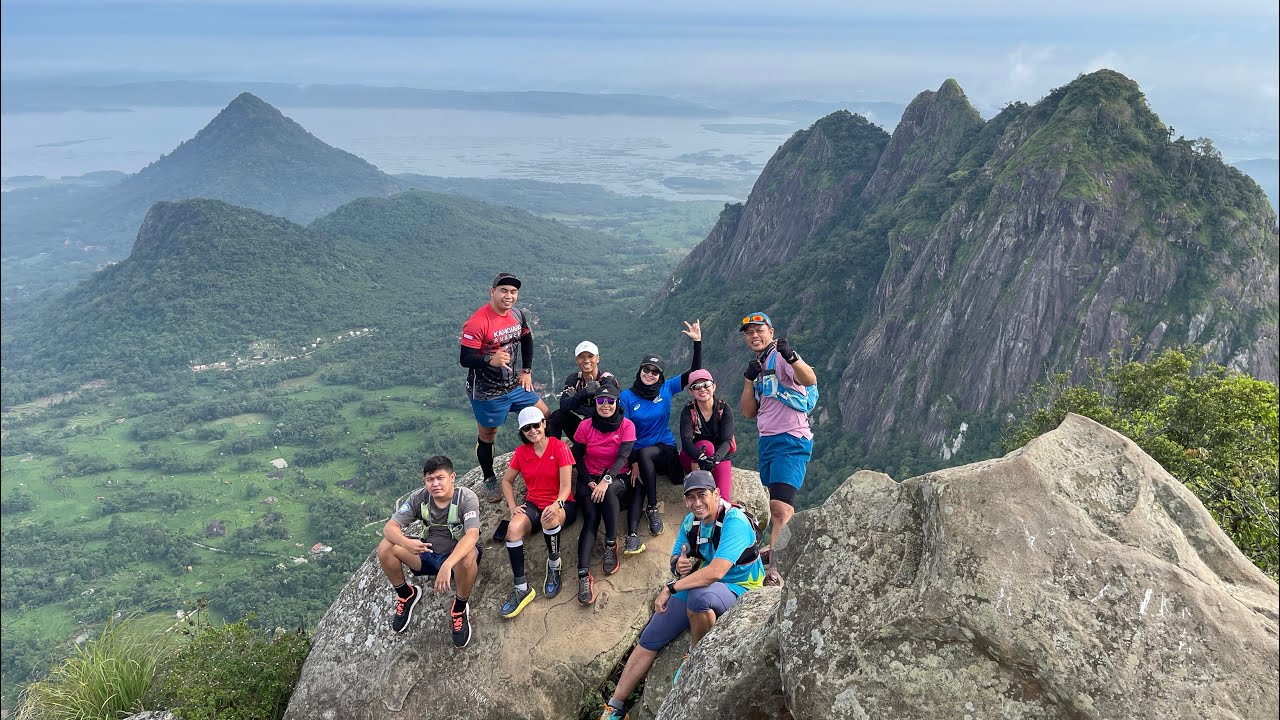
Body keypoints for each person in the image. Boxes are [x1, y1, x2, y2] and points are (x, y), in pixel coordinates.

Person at [596, 470, 764, 720]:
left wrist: (671, 586)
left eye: (702, 495)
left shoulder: (734, 522)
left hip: (741, 587)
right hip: (706, 583)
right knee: (651, 635)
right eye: (691, 497)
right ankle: (615, 707)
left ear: (716, 493)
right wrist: (679, 566)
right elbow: (675, 558)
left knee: (698, 599)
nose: (696, 503)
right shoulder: (691, 523)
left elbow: (716, 572)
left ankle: (696, 656)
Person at [738, 311, 816, 587]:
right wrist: (749, 379)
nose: (754, 336)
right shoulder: (759, 365)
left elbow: (808, 380)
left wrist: (792, 356)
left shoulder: (781, 358)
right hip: (767, 441)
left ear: (771, 331)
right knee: (777, 507)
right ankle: (780, 554)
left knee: (780, 508)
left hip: (790, 439)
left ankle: (776, 572)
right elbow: (748, 411)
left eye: (759, 330)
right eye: (749, 333)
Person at [459, 272, 550, 503]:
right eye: (504, 291)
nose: (509, 296)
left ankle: (543, 462)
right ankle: (489, 478)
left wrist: (526, 370)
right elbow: (465, 358)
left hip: (514, 385)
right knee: (488, 435)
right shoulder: (478, 322)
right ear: (493, 292)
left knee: (545, 415)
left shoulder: (518, 315)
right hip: (487, 392)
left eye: (513, 292)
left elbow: (527, 339)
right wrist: (489, 359)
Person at [376, 456, 481, 649]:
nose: (435, 484)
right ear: (424, 481)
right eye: (430, 479)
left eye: (440, 478)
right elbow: (389, 528)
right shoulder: (419, 498)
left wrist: (448, 564)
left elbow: (472, 535)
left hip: (455, 554)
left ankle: (459, 608)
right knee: (386, 546)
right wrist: (406, 543)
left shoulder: (466, 498)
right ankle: (406, 594)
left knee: (468, 557)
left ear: (452, 477)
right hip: (428, 552)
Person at [618, 320, 702, 555]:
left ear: (661, 375)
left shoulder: (666, 389)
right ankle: (632, 536)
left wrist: (697, 343)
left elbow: (694, 374)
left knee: (646, 457)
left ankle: (653, 508)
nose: (650, 374)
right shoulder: (627, 397)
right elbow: (625, 433)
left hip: (664, 450)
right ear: (640, 370)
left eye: (655, 372)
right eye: (647, 370)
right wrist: (633, 461)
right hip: (642, 456)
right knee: (639, 484)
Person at [498, 406, 577, 618]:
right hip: (533, 503)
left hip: (562, 504)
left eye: (536, 425)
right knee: (513, 530)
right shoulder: (521, 453)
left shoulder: (559, 447)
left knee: (548, 519)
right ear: (522, 432)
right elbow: (506, 481)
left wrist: (557, 503)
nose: (532, 431)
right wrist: (513, 506)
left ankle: (554, 564)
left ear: (544, 424)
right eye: (527, 428)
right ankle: (522, 588)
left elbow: (566, 487)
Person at [570, 384, 634, 605]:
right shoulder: (586, 426)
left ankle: (610, 544)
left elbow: (623, 457)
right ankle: (583, 575)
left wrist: (605, 481)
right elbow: (577, 455)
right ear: (594, 403)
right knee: (590, 518)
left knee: (609, 494)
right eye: (600, 401)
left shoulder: (626, 426)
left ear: (617, 403)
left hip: (617, 477)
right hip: (589, 479)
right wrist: (589, 481)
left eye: (610, 401)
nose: (605, 405)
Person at [547, 340, 620, 444]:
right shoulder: (574, 379)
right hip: (582, 428)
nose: (586, 360)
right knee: (557, 415)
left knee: (589, 418)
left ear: (597, 358)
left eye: (590, 356)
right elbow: (563, 406)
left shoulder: (607, 380)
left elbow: (607, 411)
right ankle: (553, 453)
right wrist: (585, 392)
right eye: (581, 357)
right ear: (576, 360)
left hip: (604, 429)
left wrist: (575, 403)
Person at [678, 369, 735, 500]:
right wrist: (701, 458)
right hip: (693, 457)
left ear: (713, 386)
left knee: (723, 500)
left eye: (706, 385)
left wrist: (715, 459)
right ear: (691, 392)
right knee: (707, 445)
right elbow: (686, 441)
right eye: (696, 387)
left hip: (718, 457)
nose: (702, 389)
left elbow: (727, 440)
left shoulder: (724, 409)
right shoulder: (688, 411)